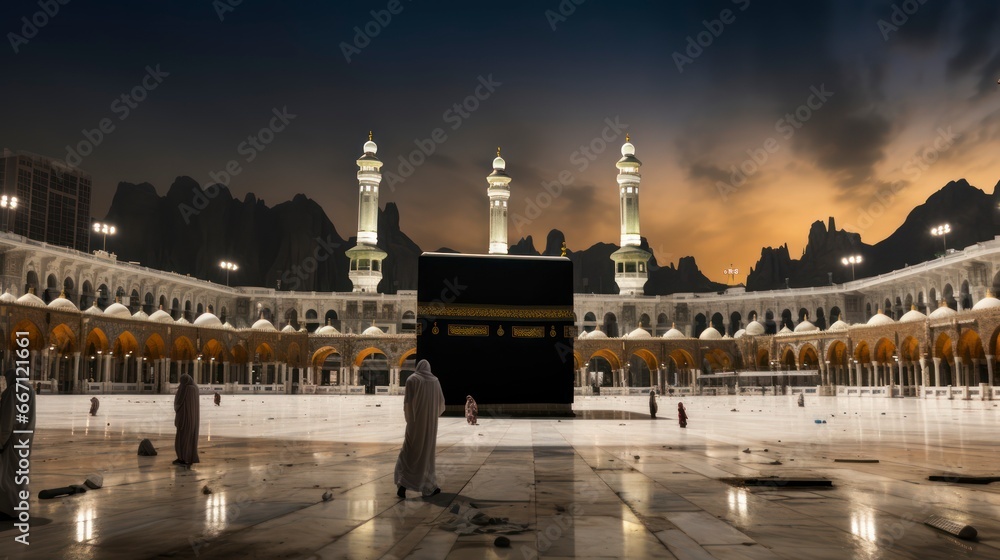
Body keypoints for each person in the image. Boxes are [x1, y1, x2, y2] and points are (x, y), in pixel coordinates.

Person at [395, 359, 445, 498]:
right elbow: (441, 404)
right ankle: (428, 486)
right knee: (426, 455)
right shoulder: (435, 381)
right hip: (429, 426)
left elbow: (407, 403)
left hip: (414, 424)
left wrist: (410, 420)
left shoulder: (412, 379)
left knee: (409, 451)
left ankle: (403, 484)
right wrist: (431, 416)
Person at [1, 369, 35, 520]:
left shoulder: (12, 391)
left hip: (11, 440)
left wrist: (1, 442)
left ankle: (8, 509)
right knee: (20, 474)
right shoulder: (30, 390)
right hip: (25, 437)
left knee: (6, 475)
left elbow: (7, 421)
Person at [173, 373, 200, 466]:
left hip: (184, 419)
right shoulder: (195, 388)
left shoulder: (185, 388)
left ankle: (182, 458)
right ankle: (190, 457)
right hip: (193, 419)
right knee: (190, 438)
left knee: (182, 439)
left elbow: (178, 402)